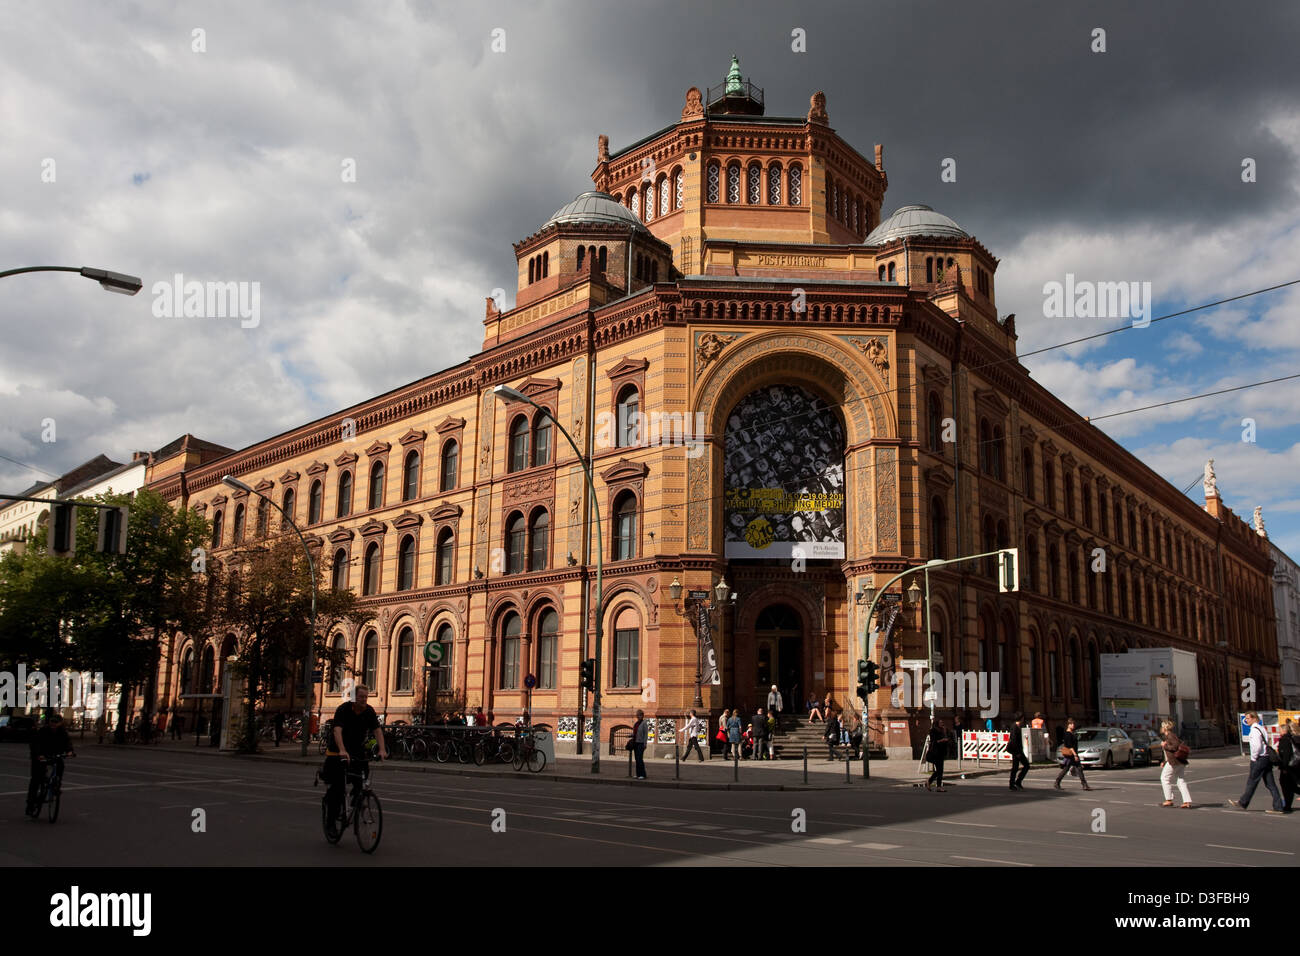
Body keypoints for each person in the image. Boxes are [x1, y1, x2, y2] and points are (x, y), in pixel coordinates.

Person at [322, 685, 387, 836]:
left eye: (366, 697)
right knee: (337, 789)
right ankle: (331, 822)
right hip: (337, 752)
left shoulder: (369, 711)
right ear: (353, 697)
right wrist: (342, 750)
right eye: (361, 697)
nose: (364, 699)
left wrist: (382, 749)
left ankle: (355, 802)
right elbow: (337, 730)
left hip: (357, 752)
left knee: (362, 779)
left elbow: (377, 730)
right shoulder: (343, 710)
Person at [1229, 711, 1285, 813]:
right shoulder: (1261, 728)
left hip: (1259, 759)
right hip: (1266, 758)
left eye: (1248, 718)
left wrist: (1254, 758)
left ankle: (1243, 802)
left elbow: (1257, 747)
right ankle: (1278, 806)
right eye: (1245, 718)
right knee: (1271, 784)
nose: (1246, 720)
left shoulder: (1254, 730)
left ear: (1254, 718)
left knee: (1252, 781)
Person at [27, 713, 74, 816]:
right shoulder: (43, 731)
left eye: (56, 722)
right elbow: (35, 743)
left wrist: (70, 751)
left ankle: (57, 785)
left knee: (60, 765)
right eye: (52, 721)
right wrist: (39, 754)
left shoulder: (62, 732)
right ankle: (30, 804)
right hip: (40, 756)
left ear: (60, 723)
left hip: (54, 755)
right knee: (36, 779)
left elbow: (67, 742)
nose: (53, 724)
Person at [1158, 719, 1192, 808]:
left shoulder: (1170, 736)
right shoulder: (1171, 736)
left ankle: (1168, 800)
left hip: (1174, 761)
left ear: (1165, 728)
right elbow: (1171, 751)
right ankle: (1186, 801)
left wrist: (1164, 745)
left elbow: (1175, 747)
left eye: (1162, 727)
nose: (1161, 728)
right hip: (1179, 761)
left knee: (1164, 778)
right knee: (1181, 780)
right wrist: (1165, 761)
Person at [1055, 718, 1092, 790]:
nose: (1073, 725)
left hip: (1073, 754)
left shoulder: (1072, 733)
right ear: (1068, 725)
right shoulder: (1068, 734)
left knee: (1073, 768)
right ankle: (1084, 785)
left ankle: (1057, 782)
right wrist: (1075, 755)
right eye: (1071, 724)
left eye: (1073, 724)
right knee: (1074, 768)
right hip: (1071, 754)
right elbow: (1070, 746)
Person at [1277, 720, 1297, 813]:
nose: (1279, 731)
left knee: (1287, 786)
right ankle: (1287, 806)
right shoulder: (1290, 738)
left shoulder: (1285, 740)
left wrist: (1284, 768)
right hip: (1292, 766)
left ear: (1284, 730)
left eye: (1280, 730)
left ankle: (1287, 806)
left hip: (1288, 767)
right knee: (1291, 786)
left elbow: (1286, 755)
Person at [926, 718, 951, 791]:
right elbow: (934, 741)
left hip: (941, 752)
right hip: (935, 752)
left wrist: (945, 733)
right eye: (940, 722)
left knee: (940, 770)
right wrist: (942, 740)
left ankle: (934, 784)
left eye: (942, 722)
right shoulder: (933, 730)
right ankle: (934, 784)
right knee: (939, 770)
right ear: (937, 723)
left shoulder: (943, 730)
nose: (942, 724)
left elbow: (948, 737)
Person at [1007, 712, 1030, 791]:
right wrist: (1017, 752)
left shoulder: (1018, 726)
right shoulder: (1014, 727)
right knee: (1026, 765)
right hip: (1016, 751)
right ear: (1021, 718)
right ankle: (1016, 782)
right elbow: (1014, 740)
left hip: (1018, 750)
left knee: (1015, 767)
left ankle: (1014, 783)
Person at [631, 709, 648, 779]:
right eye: (637, 715)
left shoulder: (644, 723)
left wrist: (645, 743)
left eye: (640, 715)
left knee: (640, 759)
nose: (638, 716)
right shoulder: (636, 723)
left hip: (641, 743)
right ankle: (638, 774)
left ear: (642, 716)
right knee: (636, 759)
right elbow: (635, 733)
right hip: (636, 743)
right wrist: (631, 735)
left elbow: (645, 734)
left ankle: (643, 774)